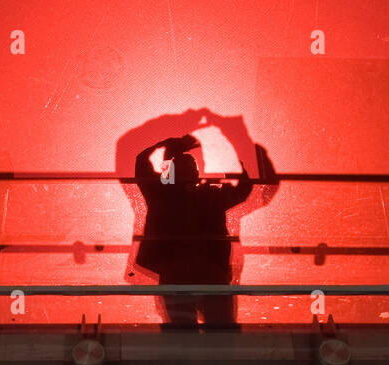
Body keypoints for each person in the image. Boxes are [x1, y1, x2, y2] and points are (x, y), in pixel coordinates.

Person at [117, 109, 276, 328]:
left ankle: (185, 356)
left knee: (183, 329)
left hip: (176, 271)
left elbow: (142, 161)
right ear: (196, 173)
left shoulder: (161, 195)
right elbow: (244, 189)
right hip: (210, 271)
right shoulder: (210, 195)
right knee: (220, 327)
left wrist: (168, 145)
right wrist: (244, 149)